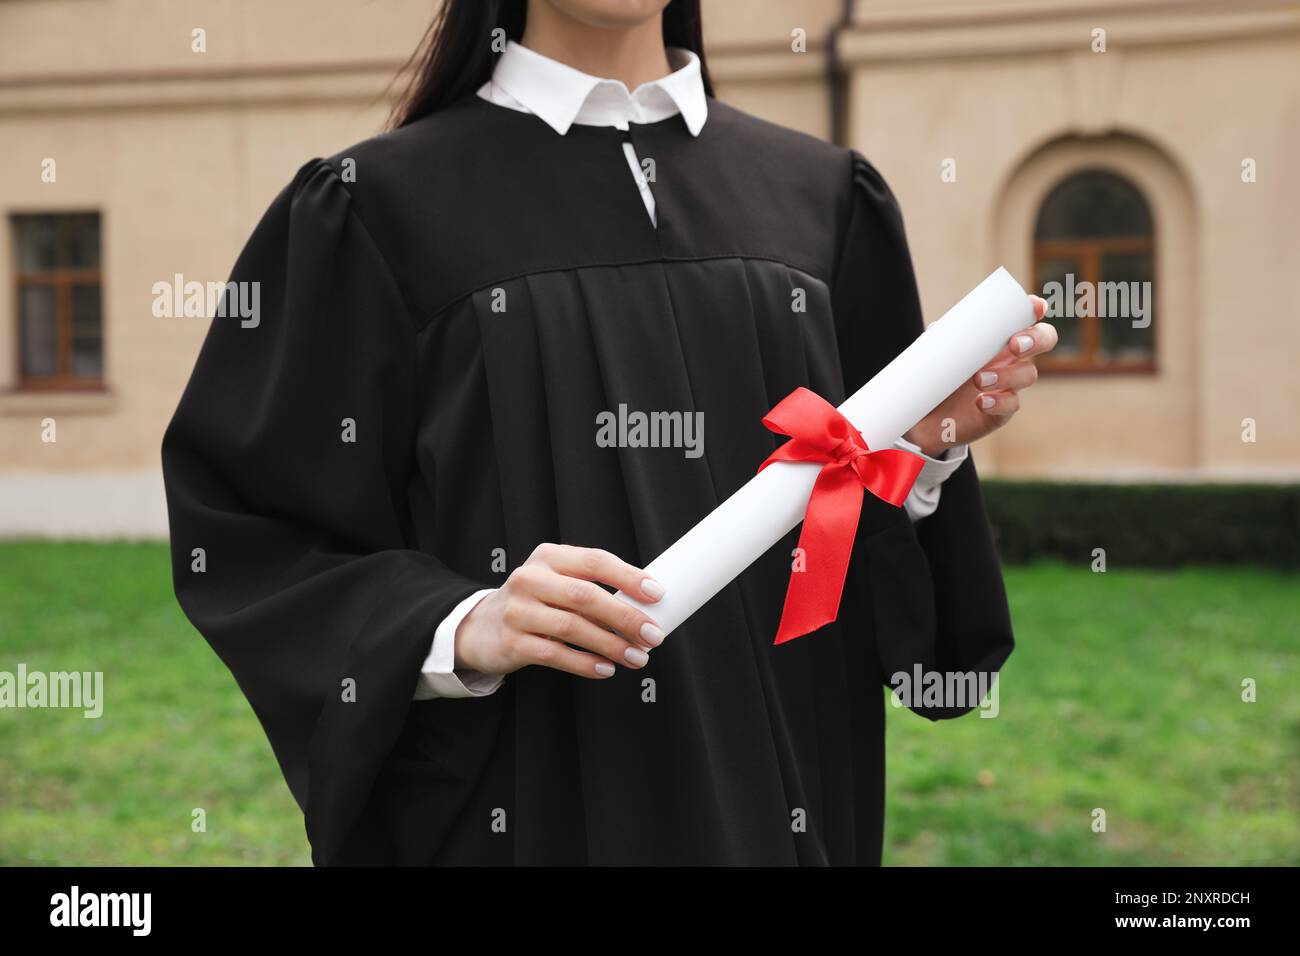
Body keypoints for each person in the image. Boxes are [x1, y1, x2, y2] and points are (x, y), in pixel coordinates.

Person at [162, 0, 1056, 865]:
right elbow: (254, 532)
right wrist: (464, 621)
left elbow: (862, 568)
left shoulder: (822, 202)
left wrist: (923, 451)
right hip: (527, 799)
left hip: (784, 798)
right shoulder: (376, 211)